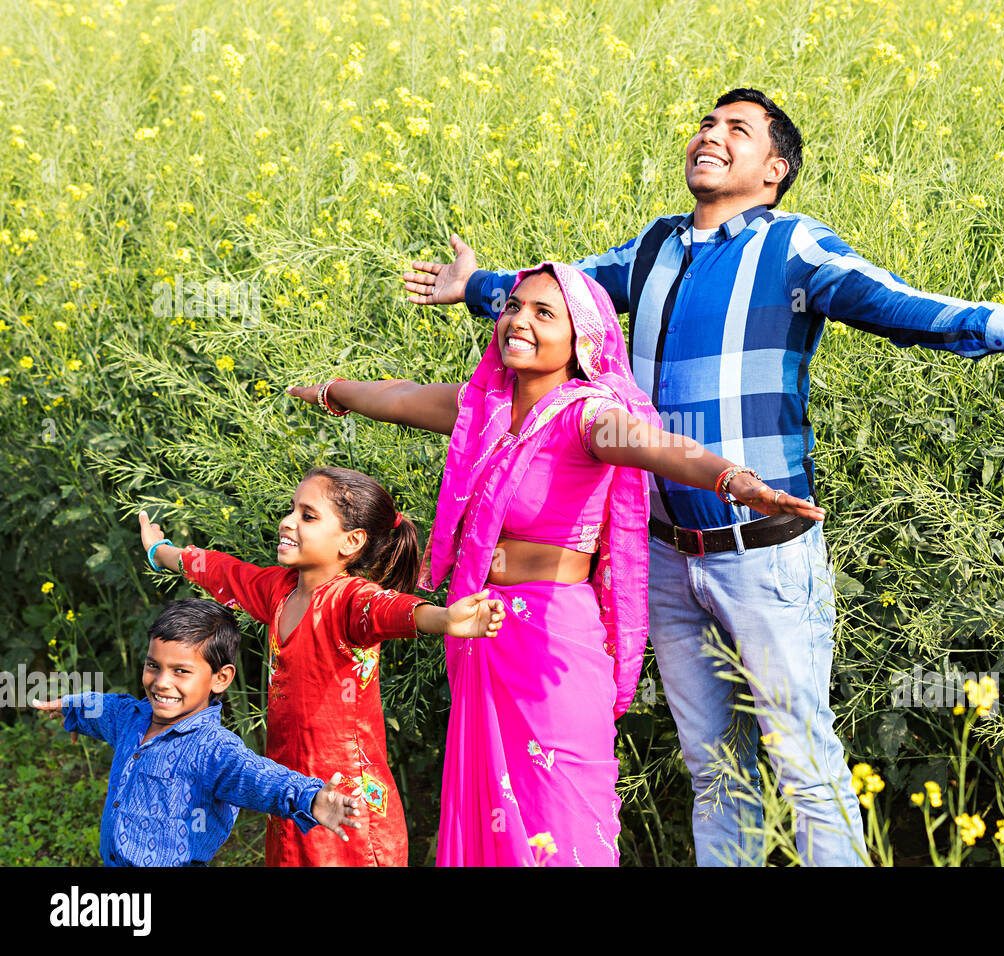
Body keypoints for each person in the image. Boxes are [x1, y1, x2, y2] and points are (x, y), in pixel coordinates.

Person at [401, 89, 1004, 865]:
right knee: (716, 773)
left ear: (774, 170)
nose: (710, 135)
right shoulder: (652, 249)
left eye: (737, 131)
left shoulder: (792, 248)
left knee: (803, 762)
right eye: (708, 123)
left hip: (764, 551)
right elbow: (558, 294)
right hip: (666, 557)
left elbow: (890, 302)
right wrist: (475, 288)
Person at [288, 262, 819, 866]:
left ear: (583, 340)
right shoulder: (483, 409)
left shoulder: (586, 418)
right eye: (514, 306)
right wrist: (333, 392)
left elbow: (663, 449)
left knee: (560, 813)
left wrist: (734, 481)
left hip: (552, 644)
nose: (519, 320)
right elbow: (402, 397)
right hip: (480, 629)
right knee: (489, 814)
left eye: (545, 313)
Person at [136, 467, 504, 866]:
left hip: (349, 809)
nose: (287, 522)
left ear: (351, 542)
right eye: (292, 509)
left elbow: (390, 610)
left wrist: (445, 619)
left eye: (307, 516)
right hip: (295, 795)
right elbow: (224, 571)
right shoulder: (279, 591)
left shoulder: (349, 600)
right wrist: (161, 552)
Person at [32, 598, 364, 867]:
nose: (162, 682)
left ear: (220, 678)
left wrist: (310, 797)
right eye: (153, 665)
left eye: (181, 671)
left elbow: (259, 777)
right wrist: (71, 707)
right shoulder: (132, 718)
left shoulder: (214, 750)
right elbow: (103, 709)